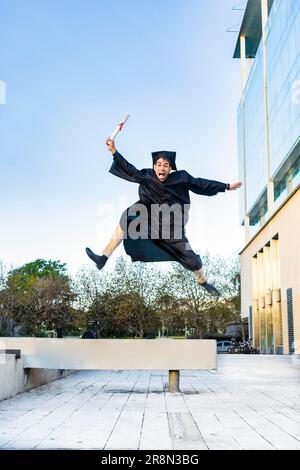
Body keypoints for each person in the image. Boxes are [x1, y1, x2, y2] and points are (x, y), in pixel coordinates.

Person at [86, 138, 242, 297]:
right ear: (154, 166)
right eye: (159, 164)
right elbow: (129, 169)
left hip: (173, 231)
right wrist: (113, 150)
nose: (162, 168)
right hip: (150, 222)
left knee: (194, 262)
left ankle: (202, 281)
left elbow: (200, 184)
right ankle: (103, 258)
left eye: (165, 165)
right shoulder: (147, 176)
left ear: (170, 168)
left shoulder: (181, 177)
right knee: (127, 217)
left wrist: (226, 186)